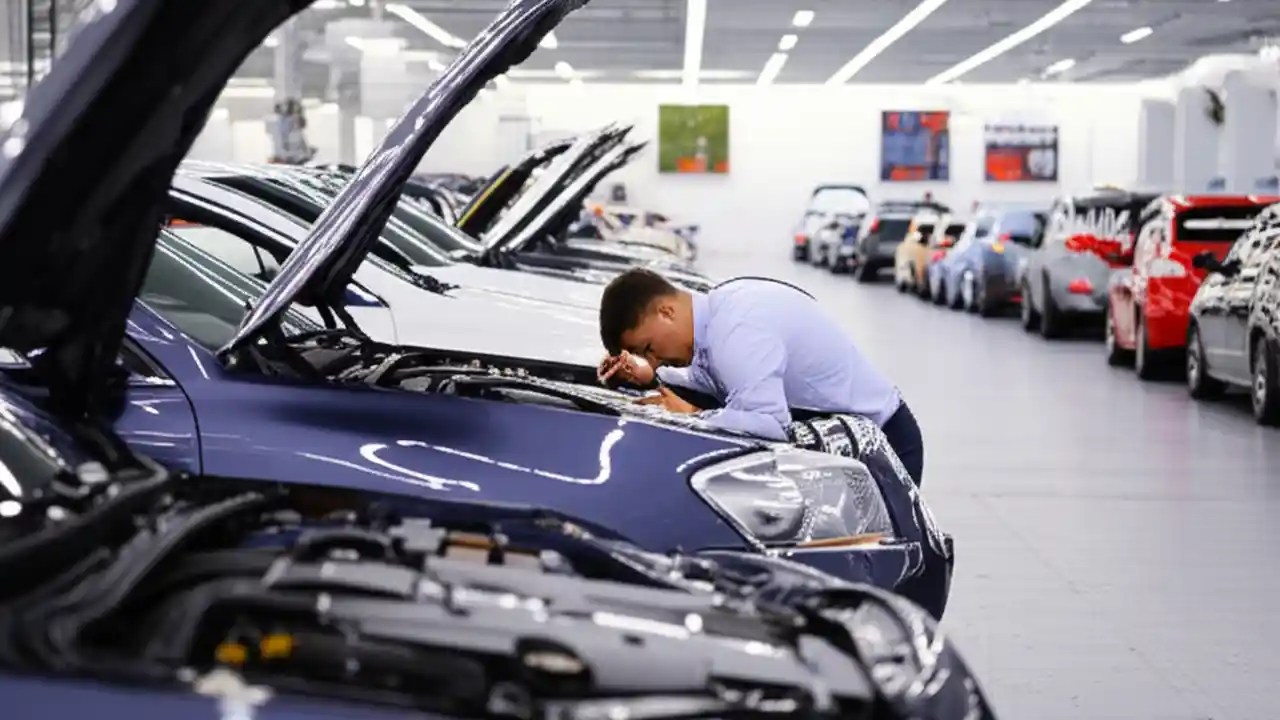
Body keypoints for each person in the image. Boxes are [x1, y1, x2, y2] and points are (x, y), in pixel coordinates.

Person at [597, 269, 926, 486]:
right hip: (847, 437)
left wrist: (695, 417)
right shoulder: (718, 313)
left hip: (883, 445)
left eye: (649, 348)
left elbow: (770, 425)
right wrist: (649, 375)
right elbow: (712, 379)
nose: (654, 358)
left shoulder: (738, 329)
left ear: (666, 312)